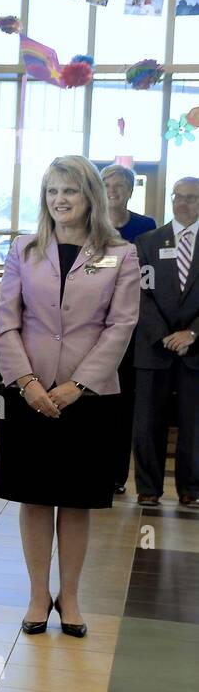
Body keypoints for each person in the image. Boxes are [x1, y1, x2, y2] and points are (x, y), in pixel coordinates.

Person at [0, 155, 140, 639]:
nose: (60, 200)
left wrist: (78, 385)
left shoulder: (119, 253)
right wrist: (29, 384)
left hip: (90, 397)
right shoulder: (25, 249)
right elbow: (6, 323)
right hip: (30, 393)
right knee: (35, 499)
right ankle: (38, 593)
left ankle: (69, 596)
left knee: (76, 502)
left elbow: (121, 326)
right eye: (53, 191)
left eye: (70, 191)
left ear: (90, 198)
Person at [132, 177, 199, 509]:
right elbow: (139, 294)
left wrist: (193, 334)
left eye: (190, 198)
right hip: (153, 347)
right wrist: (164, 335)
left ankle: (192, 489)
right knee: (147, 422)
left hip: (196, 349)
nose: (181, 203)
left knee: (194, 425)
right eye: (177, 197)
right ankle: (148, 488)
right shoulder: (147, 241)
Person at [100, 163, 157, 494]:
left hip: (132, 329)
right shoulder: (91, 224)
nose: (113, 190)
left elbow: (150, 278)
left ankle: (117, 476)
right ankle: (93, 466)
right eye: (107, 183)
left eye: (119, 184)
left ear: (130, 190)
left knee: (122, 403)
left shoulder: (146, 227)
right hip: (95, 326)